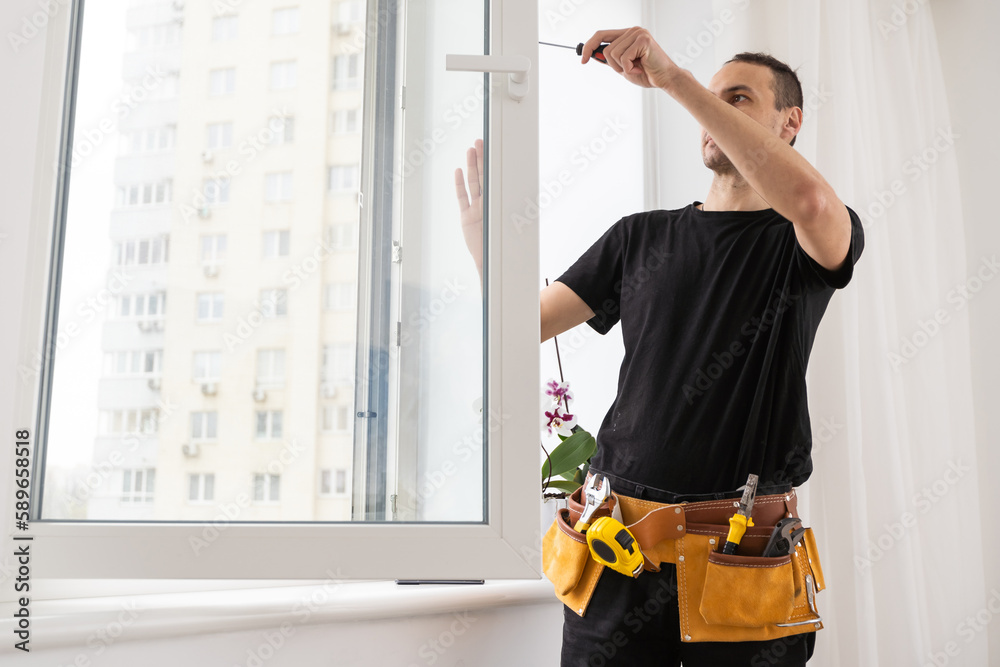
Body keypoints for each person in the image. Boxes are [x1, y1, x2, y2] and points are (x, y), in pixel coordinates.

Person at [455, 27, 864, 667]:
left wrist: (673, 79)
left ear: (790, 123)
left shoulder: (805, 238)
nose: (714, 111)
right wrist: (486, 249)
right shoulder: (639, 238)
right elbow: (520, 326)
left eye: (738, 99)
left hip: (742, 566)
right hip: (613, 557)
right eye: (711, 99)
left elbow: (810, 200)